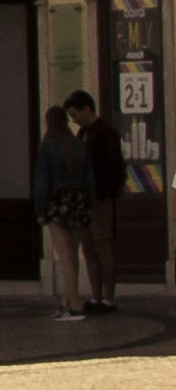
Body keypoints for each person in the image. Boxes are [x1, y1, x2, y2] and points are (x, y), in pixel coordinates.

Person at [37, 96, 98, 316]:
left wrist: (40, 211)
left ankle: (75, 303)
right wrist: (89, 203)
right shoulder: (80, 145)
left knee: (65, 256)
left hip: (58, 203)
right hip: (79, 201)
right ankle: (66, 301)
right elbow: (90, 178)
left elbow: (42, 182)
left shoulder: (47, 147)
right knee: (73, 254)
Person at [86, 95, 127, 311]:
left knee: (103, 245)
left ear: (86, 109)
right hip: (87, 200)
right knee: (90, 248)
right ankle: (95, 297)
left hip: (101, 198)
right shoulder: (84, 133)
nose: (73, 119)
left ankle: (108, 298)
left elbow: (116, 166)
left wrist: (108, 192)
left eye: (75, 114)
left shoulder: (105, 133)